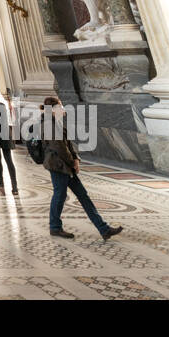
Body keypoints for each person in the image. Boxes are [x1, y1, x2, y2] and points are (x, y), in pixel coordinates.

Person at [41, 96, 122, 240]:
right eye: (60, 106)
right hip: (58, 167)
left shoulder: (56, 123)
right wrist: (72, 162)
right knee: (59, 196)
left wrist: (76, 159)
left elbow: (68, 145)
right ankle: (54, 227)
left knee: (82, 195)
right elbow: (59, 148)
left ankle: (103, 229)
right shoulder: (49, 125)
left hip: (66, 166)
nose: (63, 109)